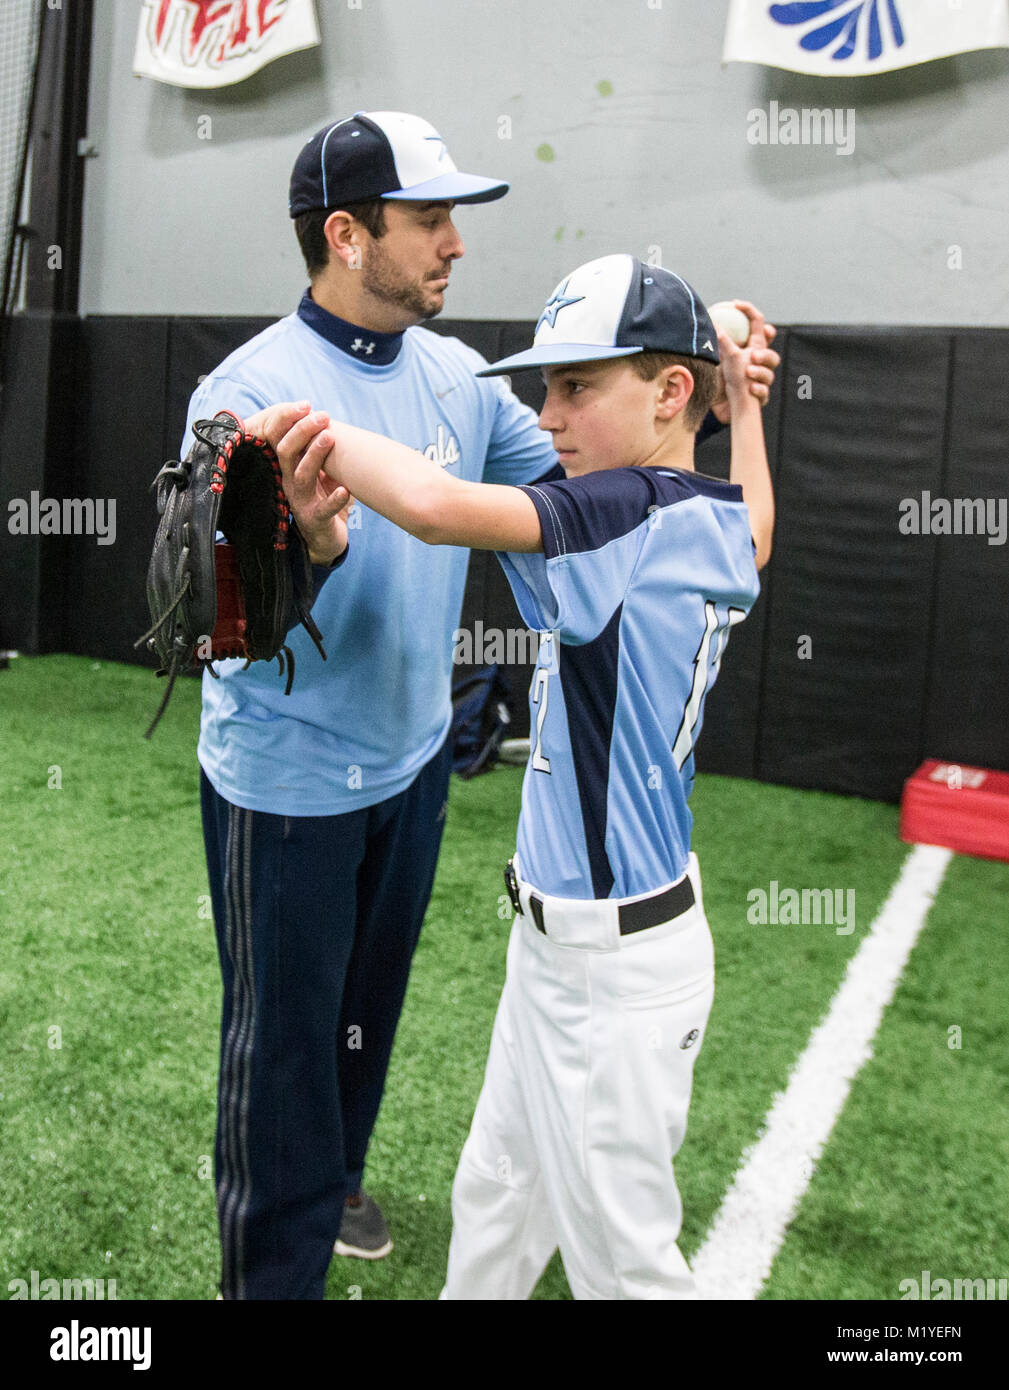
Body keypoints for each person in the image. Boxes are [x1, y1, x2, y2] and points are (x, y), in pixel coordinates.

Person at [191, 107, 780, 1300]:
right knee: (291, 1058)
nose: (457, 241)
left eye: (456, 216)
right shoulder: (243, 383)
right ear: (347, 235)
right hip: (289, 779)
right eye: (431, 218)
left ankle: (339, 1176)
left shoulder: (467, 383)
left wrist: (702, 377)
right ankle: (272, 1273)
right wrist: (288, 541)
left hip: (415, 773)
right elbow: (215, 609)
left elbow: (524, 478)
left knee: (364, 1028)